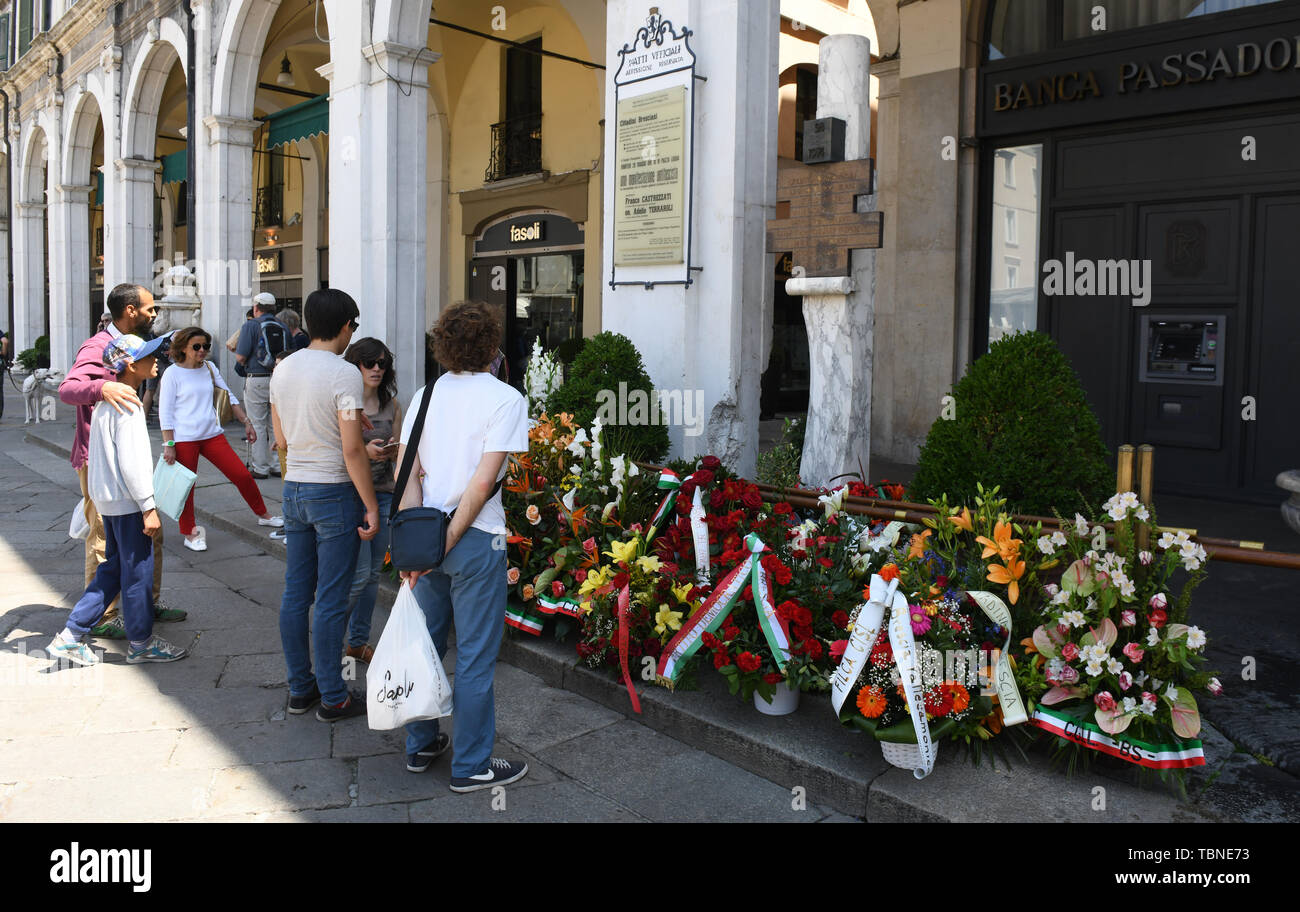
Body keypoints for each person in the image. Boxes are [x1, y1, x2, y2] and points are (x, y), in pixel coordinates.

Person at [397, 300, 530, 791]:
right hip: (475, 540)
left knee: (426, 645)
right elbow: (481, 485)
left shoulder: (424, 395)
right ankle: (471, 766)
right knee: (474, 657)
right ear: (493, 347)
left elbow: (406, 472)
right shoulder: (506, 399)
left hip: (425, 533)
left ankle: (420, 744)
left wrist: (419, 546)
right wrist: (446, 541)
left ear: (443, 345)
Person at [46, 333, 188, 666]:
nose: (158, 358)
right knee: (137, 573)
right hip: (127, 504)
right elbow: (133, 463)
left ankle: (70, 635)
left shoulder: (105, 403)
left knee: (112, 571)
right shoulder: (128, 405)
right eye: (149, 355)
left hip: (111, 502)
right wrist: (148, 506)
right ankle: (141, 642)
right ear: (129, 364)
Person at [270, 288, 379, 722]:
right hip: (333, 491)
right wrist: (370, 505)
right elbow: (353, 451)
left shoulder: (284, 368)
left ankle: (301, 689)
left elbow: (280, 439)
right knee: (332, 598)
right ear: (346, 325)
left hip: (294, 487)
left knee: (296, 593)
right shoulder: (344, 373)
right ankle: (334, 697)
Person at [159, 326, 284, 552]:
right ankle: (189, 532)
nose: (202, 351)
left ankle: (263, 514)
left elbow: (229, 395)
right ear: (183, 348)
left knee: (242, 475)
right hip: (184, 438)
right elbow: (165, 413)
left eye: (205, 346)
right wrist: (169, 445)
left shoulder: (209, 367)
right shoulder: (172, 374)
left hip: (212, 434)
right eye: (196, 347)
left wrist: (246, 422)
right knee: (186, 488)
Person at [341, 338, 402, 665]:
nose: (377, 368)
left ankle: (358, 642)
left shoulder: (392, 404)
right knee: (358, 575)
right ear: (356, 365)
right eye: (369, 363)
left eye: (382, 363)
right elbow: (336, 448)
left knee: (372, 575)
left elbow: (402, 446)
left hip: (386, 492)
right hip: (353, 495)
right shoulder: (346, 402)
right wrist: (363, 451)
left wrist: (394, 449)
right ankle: (333, 635)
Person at [236, 292, 290, 478]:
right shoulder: (283, 326)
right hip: (280, 378)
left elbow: (241, 356)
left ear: (256, 307)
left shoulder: (251, 326)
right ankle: (277, 464)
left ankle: (260, 468)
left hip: (257, 378)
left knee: (257, 423)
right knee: (276, 422)